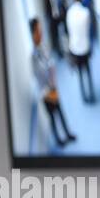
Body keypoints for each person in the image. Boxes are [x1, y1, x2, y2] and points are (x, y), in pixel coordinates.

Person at [29, 18, 76, 148]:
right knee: (53, 118)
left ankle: (68, 134)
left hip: (53, 87)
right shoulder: (33, 56)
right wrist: (49, 93)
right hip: (46, 93)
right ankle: (59, 140)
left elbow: (50, 64)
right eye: (38, 30)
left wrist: (54, 86)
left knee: (61, 112)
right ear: (33, 34)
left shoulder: (43, 47)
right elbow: (38, 77)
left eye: (40, 29)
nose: (41, 32)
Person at [65, 0, 94, 103]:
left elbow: (69, 30)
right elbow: (88, 29)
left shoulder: (69, 13)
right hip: (85, 48)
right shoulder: (86, 13)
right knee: (88, 71)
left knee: (80, 74)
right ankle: (91, 93)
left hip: (75, 50)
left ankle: (84, 97)